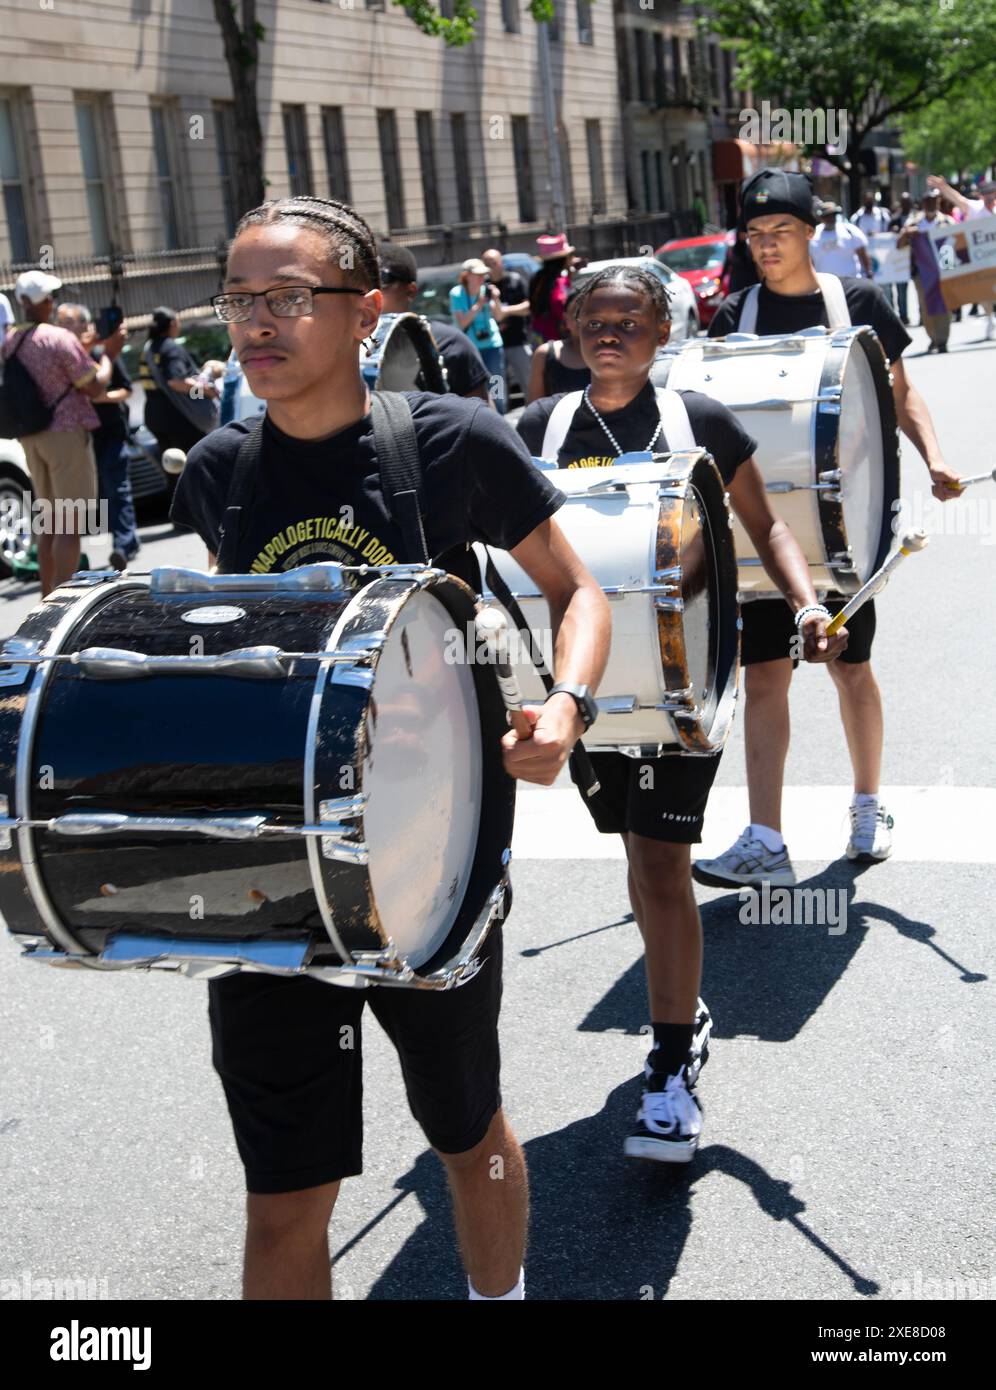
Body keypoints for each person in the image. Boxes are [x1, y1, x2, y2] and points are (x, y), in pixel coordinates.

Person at [168, 193, 611, 1300]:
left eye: (286, 298)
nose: (255, 324)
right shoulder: (221, 467)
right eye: (238, 300)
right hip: (276, 868)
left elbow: (580, 592)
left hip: (433, 855)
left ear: (366, 310)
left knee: (466, 1131)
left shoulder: (451, 438)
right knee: (282, 1194)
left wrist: (566, 707)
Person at [516, 262, 846, 1162]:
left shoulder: (695, 421)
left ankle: (669, 1065)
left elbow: (765, 523)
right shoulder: (536, 428)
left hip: (678, 673)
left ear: (664, 336)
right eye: (594, 319)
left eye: (629, 321)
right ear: (572, 329)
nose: (608, 333)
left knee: (663, 862)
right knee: (637, 852)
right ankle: (678, 1001)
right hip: (574, 689)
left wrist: (807, 602)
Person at [697, 168, 961, 888]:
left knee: (849, 668)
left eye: (778, 231)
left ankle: (869, 804)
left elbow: (902, 397)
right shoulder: (734, 316)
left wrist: (933, 459)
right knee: (764, 680)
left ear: (810, 232)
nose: (764, 246)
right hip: (760, 536)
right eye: (753, 235)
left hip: (846, 525)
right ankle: (765, 840)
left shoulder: (860, 304)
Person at [0, 271, 108, 595]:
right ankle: (64, 605)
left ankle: (48, 599)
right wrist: (109, 358)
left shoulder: (10, 341)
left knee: (48, 523)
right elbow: (94, 386)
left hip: (31, 436)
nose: (52, 303)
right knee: (70, 525)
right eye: (49, 298)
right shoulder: (58, 338)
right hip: (65, 433)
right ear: (39, 302)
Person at [55, 303, 141, 570]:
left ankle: (124, 545)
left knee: (117, 488)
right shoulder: (70, 358)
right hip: (83, 437)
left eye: (71, 324)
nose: (66, 330)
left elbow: (126, 390)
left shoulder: (105, 354)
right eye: (62, 325)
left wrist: (101, 397)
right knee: (91, 495)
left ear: (85, 326)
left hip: (111, 432)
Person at [378, 242, 492, 401]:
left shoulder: (452, 344)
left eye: (381, 280)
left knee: (498, 386)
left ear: (411, 290)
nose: (370, 292)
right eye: (361, 282)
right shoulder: (346, 348)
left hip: (490, 345)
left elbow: (482, 419)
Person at [138, 306, 219, 454]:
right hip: (178, 417)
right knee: (195, 464)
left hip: (154, 416)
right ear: (173, 324)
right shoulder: (170, 348)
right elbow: (176, 382)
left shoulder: (148, 348)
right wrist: (207, 390)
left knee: (174, 468)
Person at [927, 174, 996, 340]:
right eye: (986, 194)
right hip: (980, 259)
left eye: (992, 193)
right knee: (983, 292)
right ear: (981, 195)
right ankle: (990, 318)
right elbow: (957, 199)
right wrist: (943, 187)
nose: (989, 197)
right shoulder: (974, 208)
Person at [896, 191, 954, 354]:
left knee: (943, 306)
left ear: (938, 203)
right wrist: (906, 233)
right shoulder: (914, 223)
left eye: (934, 201)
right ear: (923, 203)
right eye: (928, 201)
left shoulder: (947, 222)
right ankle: (933, 337)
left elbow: (956, 244)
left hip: (943, 272)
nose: (931, 204)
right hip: (921, 273)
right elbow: (899, 245)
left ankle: (942, 340)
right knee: (926, 307)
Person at [448, 258, 507, 413]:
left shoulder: (487, 290)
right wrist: (479, 304)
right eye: (478, 274)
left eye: (483, 274)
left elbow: (499, 316)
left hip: (493, 345)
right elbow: (463, 323)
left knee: (497, 384)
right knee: (475, 388)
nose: (482, 278)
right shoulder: (457, 293)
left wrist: (496, 299)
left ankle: (500, 414)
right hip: (471, 347)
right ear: (467, 275)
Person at [481, 248, 533, 402]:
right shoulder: (483, 287)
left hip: (517, 341)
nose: (490, 267)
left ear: (501, 263)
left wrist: (505, 311)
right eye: (486, 264)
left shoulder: (515, 280)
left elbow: (528, 308)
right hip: (493, 347)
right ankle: (500, 417)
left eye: (493, 263)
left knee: (529, 383)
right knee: (497, 389)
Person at [526, 288, 590, 402]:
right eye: (576, 314)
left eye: (589, 313)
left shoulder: (612, 353)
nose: (582, 320)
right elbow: (534, 408)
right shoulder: (545, 354)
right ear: (565, 319)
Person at [529, 234, 575, 342]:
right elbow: (559, 301)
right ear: (563, 259)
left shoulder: (538, 278)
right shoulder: (559, 281)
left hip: (541, 335)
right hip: (557, 337)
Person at [810, 201, 873, 279]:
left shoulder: (850, 230)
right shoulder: (813, 234)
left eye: (833, 215)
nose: (831, 218)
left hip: (850, 281)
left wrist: (869, 272)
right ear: (821, 218)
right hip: (825, 283)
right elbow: (810, 261)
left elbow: (862, 254)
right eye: (827, 216)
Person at [888, 192, 915, 324]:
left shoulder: (917, 218)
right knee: (901, 289)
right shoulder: (894, 219)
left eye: (907, 202)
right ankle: (902, 315)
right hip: (900, 260)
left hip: (915, 259)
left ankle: (923, 316)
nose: (905, 205)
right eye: (903, 202)